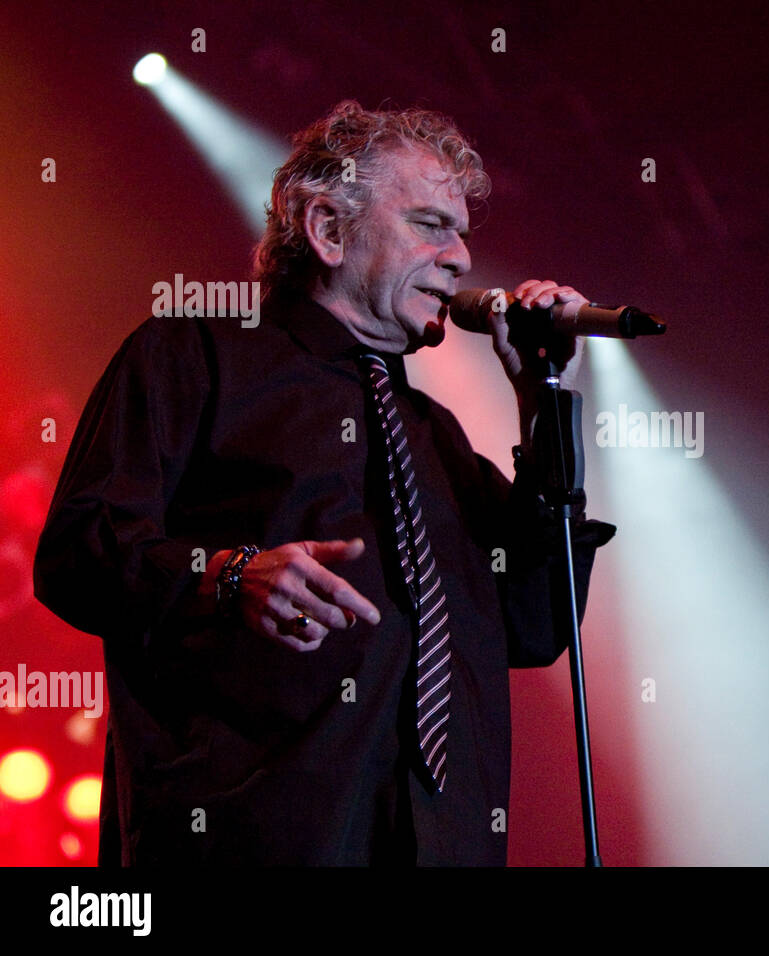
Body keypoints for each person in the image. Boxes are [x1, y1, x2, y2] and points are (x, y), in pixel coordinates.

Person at [32, 100, 615, 865]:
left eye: (465, 232)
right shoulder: (193, 358)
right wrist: (226, 575)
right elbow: (78, 553)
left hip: (440, 843)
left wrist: (542, 411)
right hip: (250, 839)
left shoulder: (435, 434)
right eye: (431, 224)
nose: (463, 259)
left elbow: (535, 628)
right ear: (329, 230)